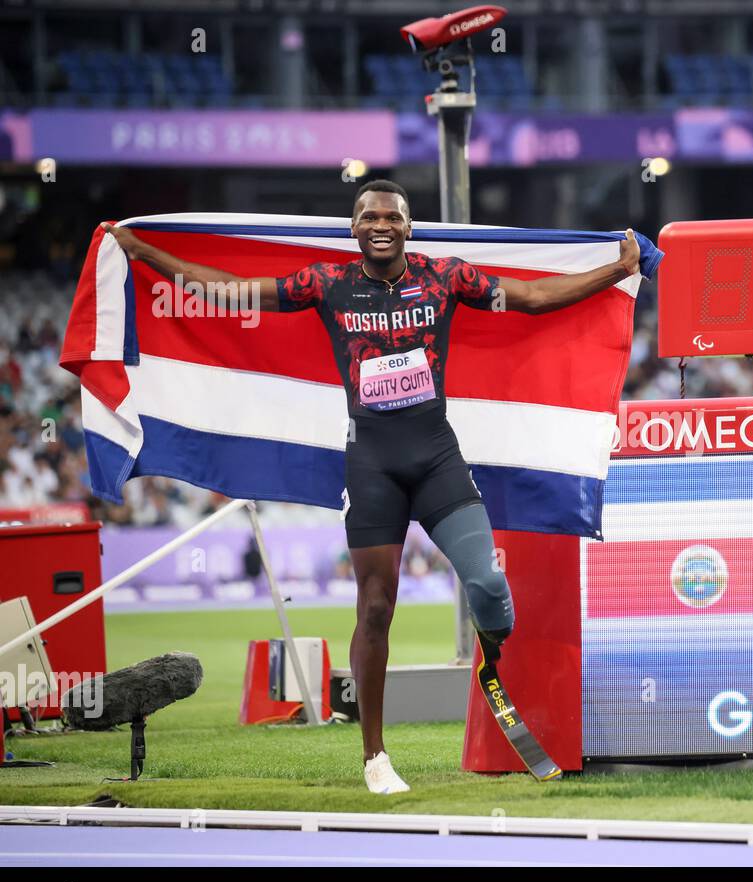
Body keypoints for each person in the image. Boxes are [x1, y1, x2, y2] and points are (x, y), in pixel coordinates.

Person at [102, 179, 641, 793]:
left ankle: (492, 650)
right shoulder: (327, 284)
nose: (380, 224)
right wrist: (147, 255)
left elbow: (536, 295)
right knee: (376, 607)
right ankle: (375, 757)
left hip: (437, 456)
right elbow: (229, 291)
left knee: (488, 583)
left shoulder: (445, 278)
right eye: (368, 216)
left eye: (392, 216)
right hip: (371, 464)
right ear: (353, 228)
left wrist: (615, 268)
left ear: (408, 227)